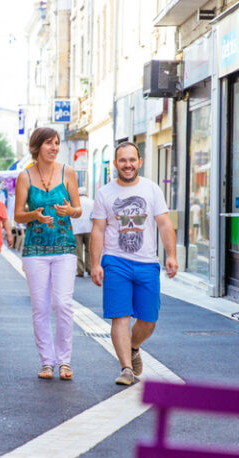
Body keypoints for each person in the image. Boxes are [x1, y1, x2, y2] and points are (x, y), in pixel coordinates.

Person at [90, 141, 178, 386]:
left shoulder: (151, 189)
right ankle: (126, 368)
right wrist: (95, 263)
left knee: (149, 320)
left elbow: (164, 223)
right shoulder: (105, 193)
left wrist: (171, 255)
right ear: (115, 164)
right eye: (122, 160)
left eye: (131, 160)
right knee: (120, 316)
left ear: (139, 162)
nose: (127, 165)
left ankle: (134, 346)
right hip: (115, 261)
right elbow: (98, 230)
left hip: (147, 263)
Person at [14, 127, 82, 380]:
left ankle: (64, 361)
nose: (54, 148)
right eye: (48, 144)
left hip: (64, 246)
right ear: (37, 147)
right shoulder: (25, 177)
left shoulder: (68, 172)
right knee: (40, 308)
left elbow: (78, 209)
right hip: (34, 250)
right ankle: (46, 362)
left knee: (62, 304)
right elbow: (18, 215)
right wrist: (35, 215)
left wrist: (70, 211)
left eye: (56, 143)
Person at [70, 186, 95, 277]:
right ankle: (90, 269)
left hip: (76, 229)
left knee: (78, 250)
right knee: (89, 250)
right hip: (89, 228)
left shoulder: (73, 203)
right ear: (86, 194)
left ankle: (80, 270)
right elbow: (94, 216)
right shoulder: (92, 202)